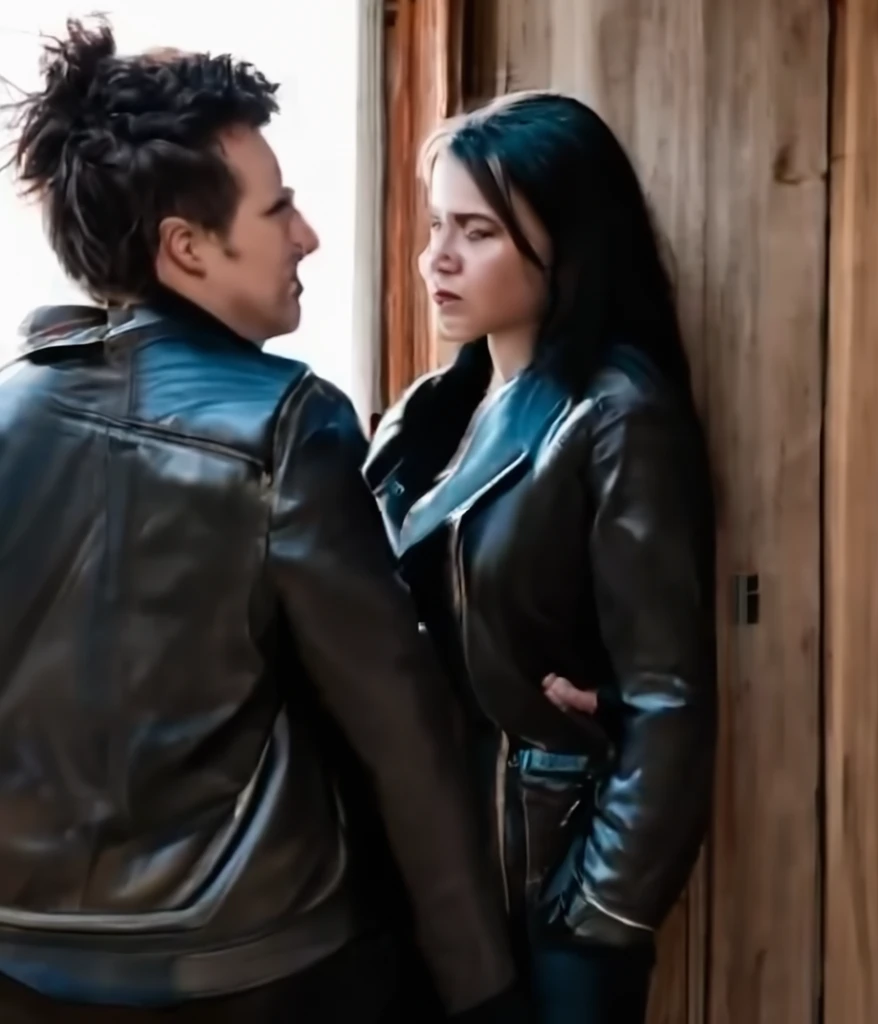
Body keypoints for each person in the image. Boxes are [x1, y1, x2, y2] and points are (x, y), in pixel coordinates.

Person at [0, 18, 525, 1024]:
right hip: (247, 965)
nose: (308, 234)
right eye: (278, 206)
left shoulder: (9, 406)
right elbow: (399, 730)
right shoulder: (286, 420)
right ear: (187, 247)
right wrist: (482, 988)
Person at [364, 90, 718, 1024]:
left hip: (546, 871)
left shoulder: (614, 414)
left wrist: (600, 909)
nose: (436, 257)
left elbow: (671, 699)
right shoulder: (432, 410)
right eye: (436, 223)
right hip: (431, 866)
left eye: (474, 232)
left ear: (564, 240)